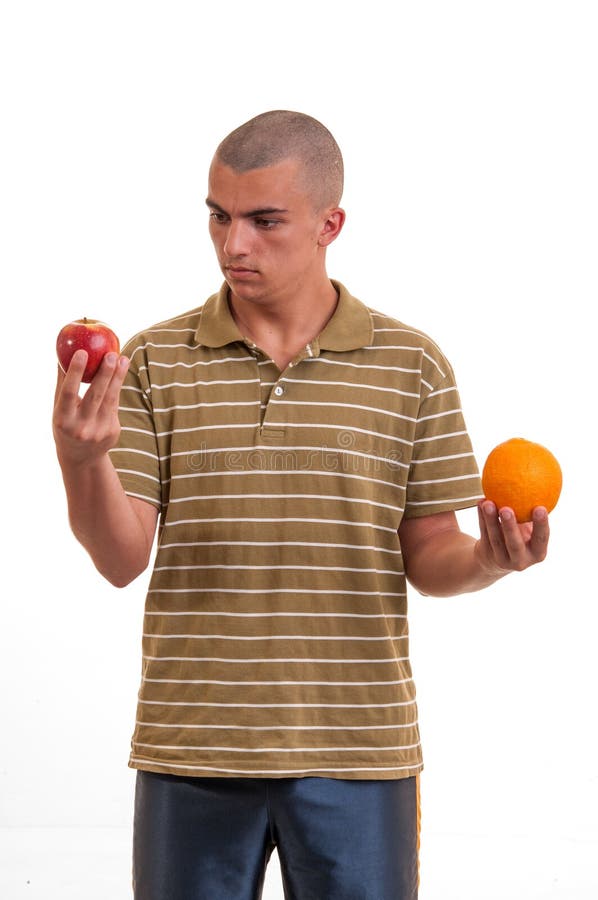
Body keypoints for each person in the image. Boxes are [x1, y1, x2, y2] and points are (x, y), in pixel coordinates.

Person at [52, 110, 550, 900]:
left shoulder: (411, 365)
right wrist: (81, 459)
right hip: (194, 748)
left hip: (359, 751)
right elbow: (120, 559)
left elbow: (430, 556)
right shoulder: (150, 359)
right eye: (218, 215)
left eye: (262, 220)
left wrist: (489, 560)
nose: (231, 245)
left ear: (330, 224)